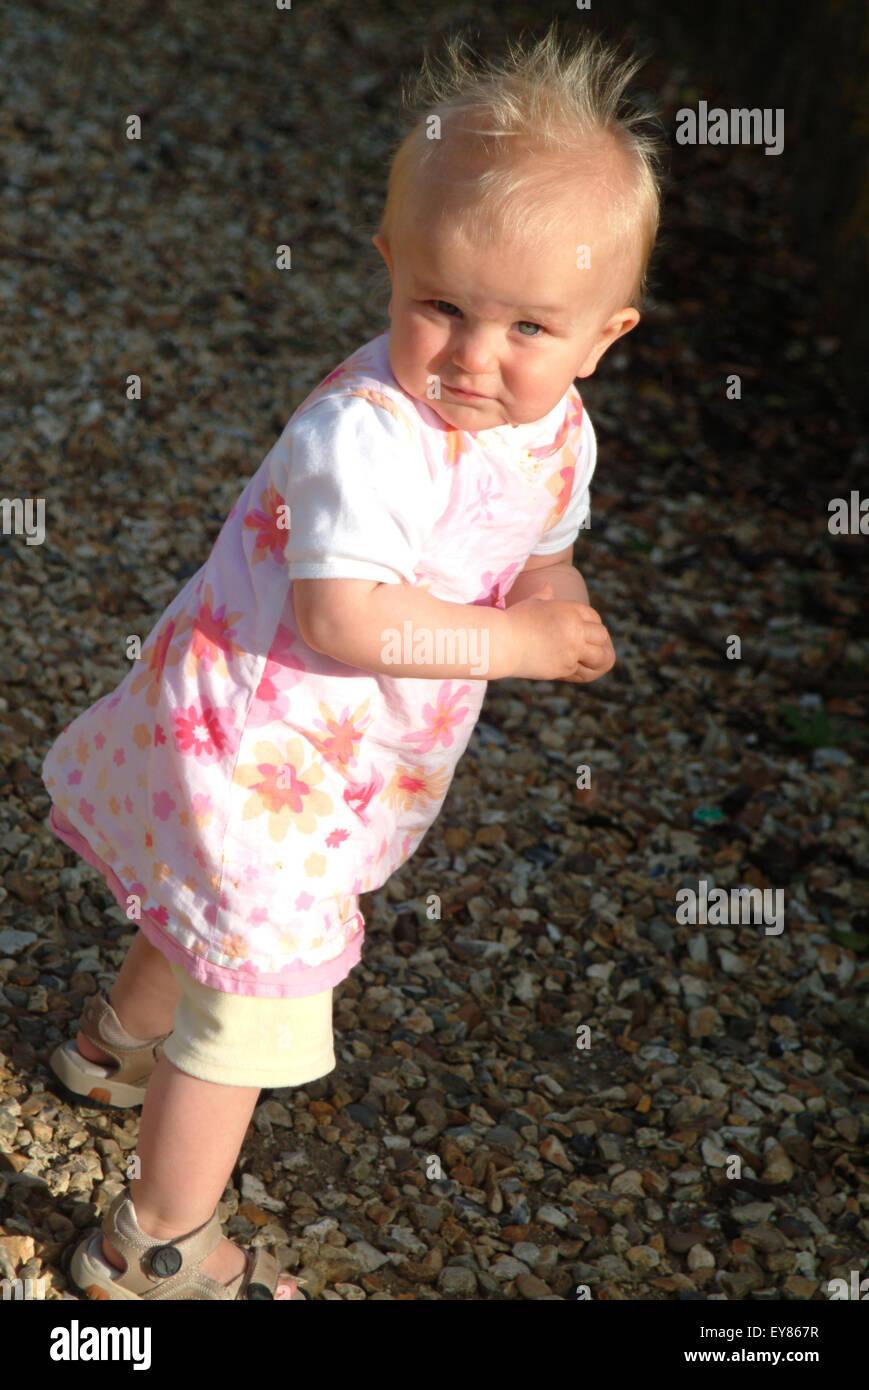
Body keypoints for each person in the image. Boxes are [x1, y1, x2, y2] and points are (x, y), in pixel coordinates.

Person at [42, 23, 664, 1300]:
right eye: (440, 306)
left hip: (330, 747)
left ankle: (113, 1050)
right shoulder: (367, 437)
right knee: (255, 999)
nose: (475, 359)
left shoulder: (557, 429)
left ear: (604, 335)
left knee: (203, 919)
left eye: (529, 328)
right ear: (388, 266)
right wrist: (517, 645)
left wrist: (559, 592)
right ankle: (156, 1242)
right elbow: (338, 617)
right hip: (259, 742)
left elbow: (543, 537)